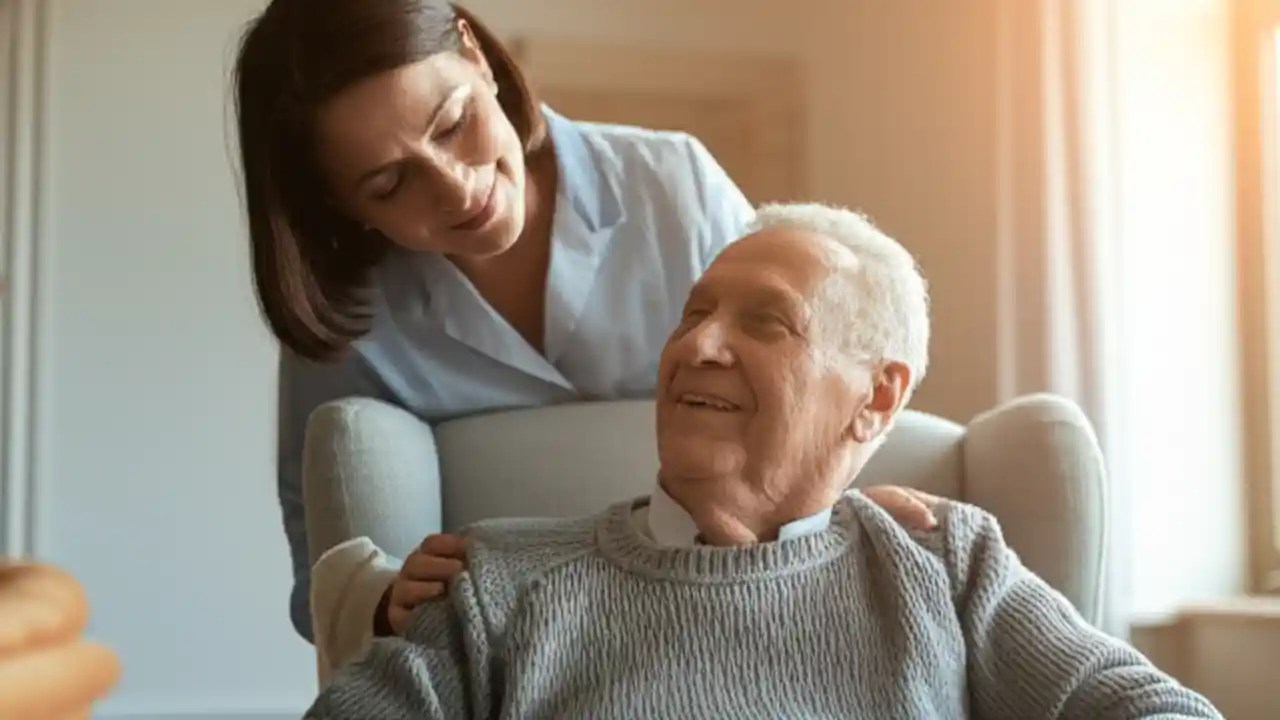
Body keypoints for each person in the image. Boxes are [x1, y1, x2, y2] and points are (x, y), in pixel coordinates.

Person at [305, 203, 1220, 719]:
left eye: (764, 322)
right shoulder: (498, 578)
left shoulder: (945, 564)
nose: (696, 345)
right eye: (693, 313)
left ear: (877, 400)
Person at [232, 0, 938, 644]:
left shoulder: (673, 185)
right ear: (339, 204)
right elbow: (322, 568)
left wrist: (835, 512)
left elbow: (819, 386)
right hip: (522, 642)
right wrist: (381, 600)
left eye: (453, 123)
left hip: (733, 602)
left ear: (475, 53)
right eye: (390, 183)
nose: (458, 187)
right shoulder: (350, 314)